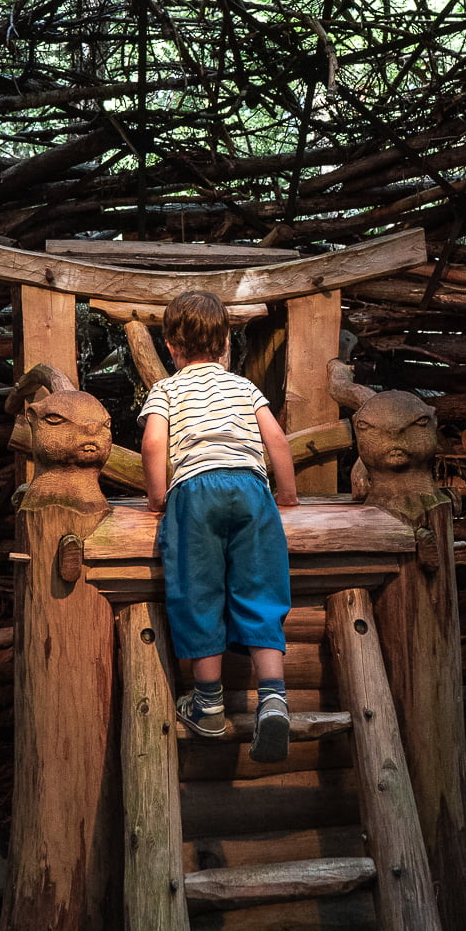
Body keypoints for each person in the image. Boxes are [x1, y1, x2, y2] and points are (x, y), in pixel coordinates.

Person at [140, 290, 299, 763]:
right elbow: (277, 441)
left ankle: (208, 704)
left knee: (199, 589)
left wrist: (157, 497)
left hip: (195, 493)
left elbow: (153, 444)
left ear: (171, 346)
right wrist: (287, 495)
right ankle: (273, 698)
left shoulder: (166, 390)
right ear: (227, 342)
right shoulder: (245, 388)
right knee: (261, 586)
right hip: (251, 490)